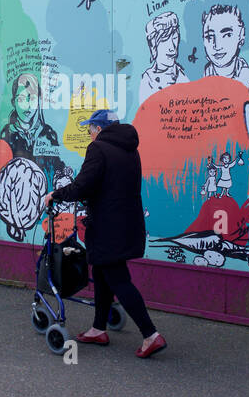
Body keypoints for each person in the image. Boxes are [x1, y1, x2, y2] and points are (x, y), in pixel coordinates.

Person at [41, 109, 166, 358]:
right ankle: (98, 328)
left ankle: (151, 335)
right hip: (126, 222)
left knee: (119, 279)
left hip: (108, 225)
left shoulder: (98, 149)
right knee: (101, 272)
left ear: (99, 129)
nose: (89, 133)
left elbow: (84, 185)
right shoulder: (131, 149)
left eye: (90, 129)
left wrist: (56, 194)